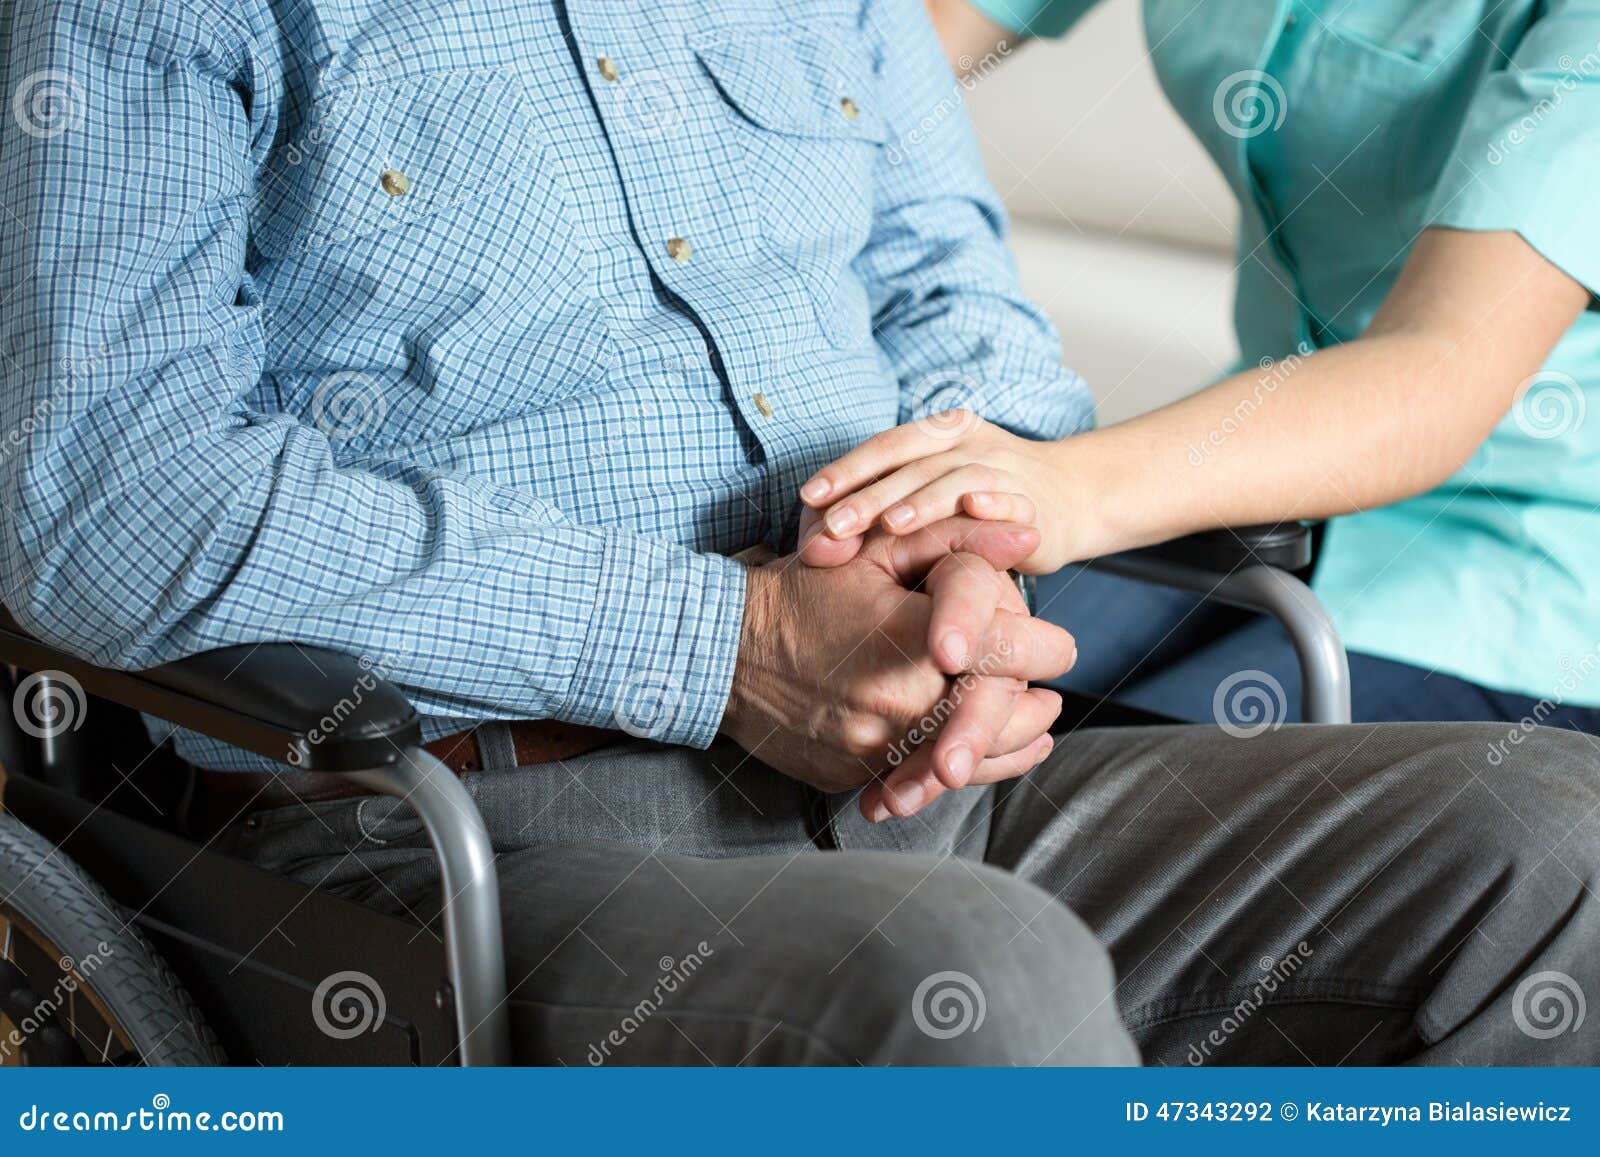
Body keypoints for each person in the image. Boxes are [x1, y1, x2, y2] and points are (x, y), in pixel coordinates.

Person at [3, 0, 1597, 1066]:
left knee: (1555, 844)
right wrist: (731, 652)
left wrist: (979, 559)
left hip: (938, 783)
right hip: (460, 831)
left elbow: (952, 306)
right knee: (977, 991)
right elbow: (108, 500)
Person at [803, 0, 1600, 735]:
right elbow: (877, 55)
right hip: (1242, 468)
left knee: (1107, 791)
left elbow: (1438, 375)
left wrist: (1066, 485)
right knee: (910, 674)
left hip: (1513, 561)